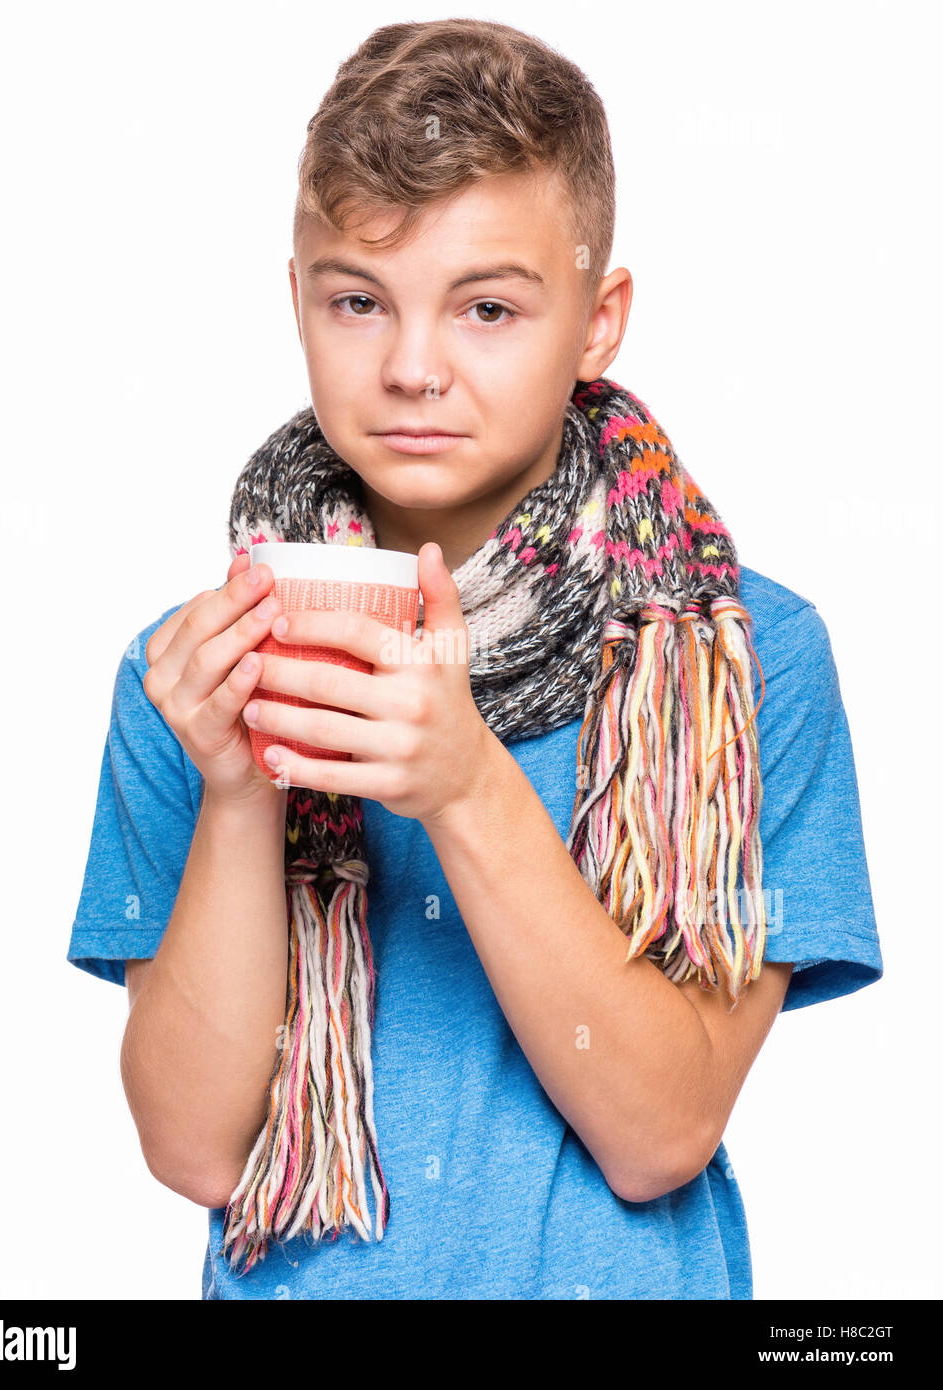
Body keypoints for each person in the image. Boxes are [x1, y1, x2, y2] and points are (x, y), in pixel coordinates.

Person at [67, 18, 883, 1299]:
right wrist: (238, 792)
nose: (409, 367)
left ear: (597, 320)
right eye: (356, 301)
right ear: (296, 301)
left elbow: (662, 1132)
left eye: (487, 307)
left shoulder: (746, 662)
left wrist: (461, 783)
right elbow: (194, 1148)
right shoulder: (189, 673)